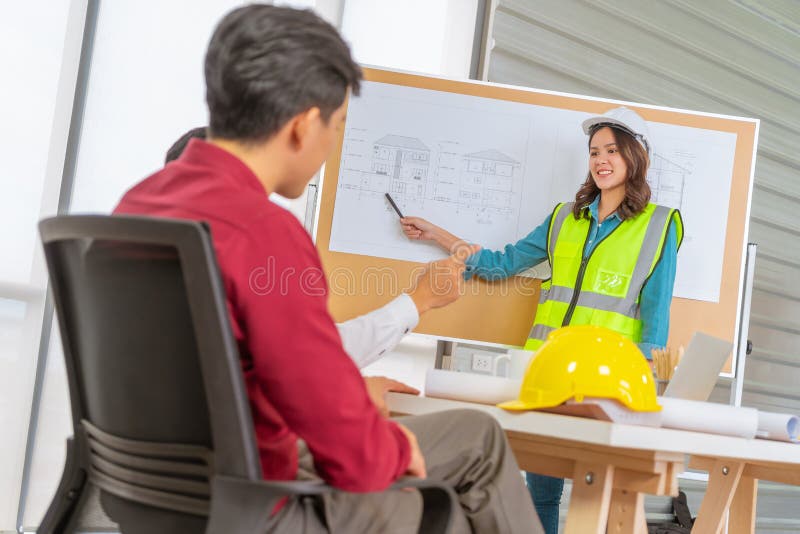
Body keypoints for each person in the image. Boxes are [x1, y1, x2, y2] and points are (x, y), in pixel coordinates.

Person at [114, 5, 542, 533]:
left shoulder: (136, 205)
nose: (333, 144)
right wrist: (387, 443)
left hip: (154, 491)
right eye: (338, 126)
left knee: (446, 481)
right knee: (460, 462)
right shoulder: (262, 231)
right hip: (260, 503)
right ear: (302, 125)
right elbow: (353, 458)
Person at [401, 106, 683, 534]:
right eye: (594, 152)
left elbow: (656, 317)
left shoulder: (660, 225)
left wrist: (646, 387)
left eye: (611, 150)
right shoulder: (563, 219)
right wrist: (437, 234)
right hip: (545, 375)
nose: (601, 160)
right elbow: (500, 264)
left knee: (607, 497)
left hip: (606, 387)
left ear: (634, 156)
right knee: (540, 494)